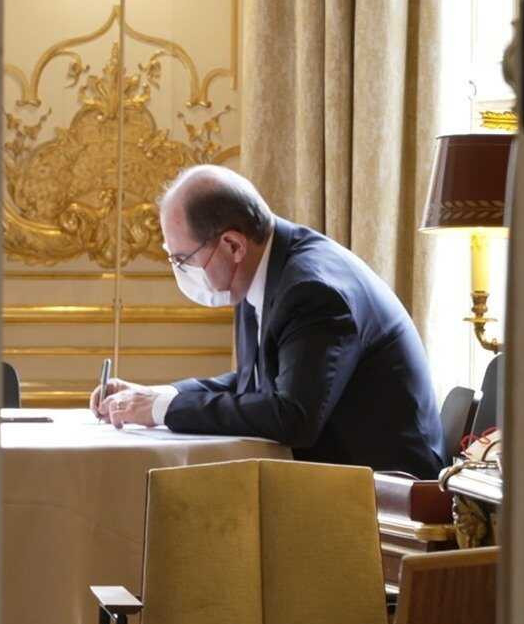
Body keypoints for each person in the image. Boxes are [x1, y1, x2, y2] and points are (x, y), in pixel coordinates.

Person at [92, 164, 444, 477]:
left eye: (184, 258)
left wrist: (160, 409)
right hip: (331, 473)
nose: (181, 271)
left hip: (388, 491)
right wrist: (160, 395)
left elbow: (292, 416)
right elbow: (257, 384)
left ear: (232, 245)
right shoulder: (261, 269)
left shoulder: (312, 291)